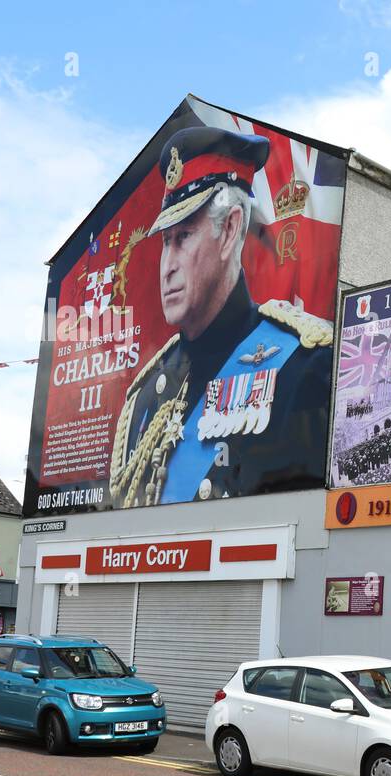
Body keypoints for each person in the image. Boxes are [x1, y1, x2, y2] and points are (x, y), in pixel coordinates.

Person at [109, 126, 334, 508]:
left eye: (184, 238)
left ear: (230, 230)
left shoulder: (304, 368)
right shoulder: (145, 397)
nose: (167, 267)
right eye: (167, 242)